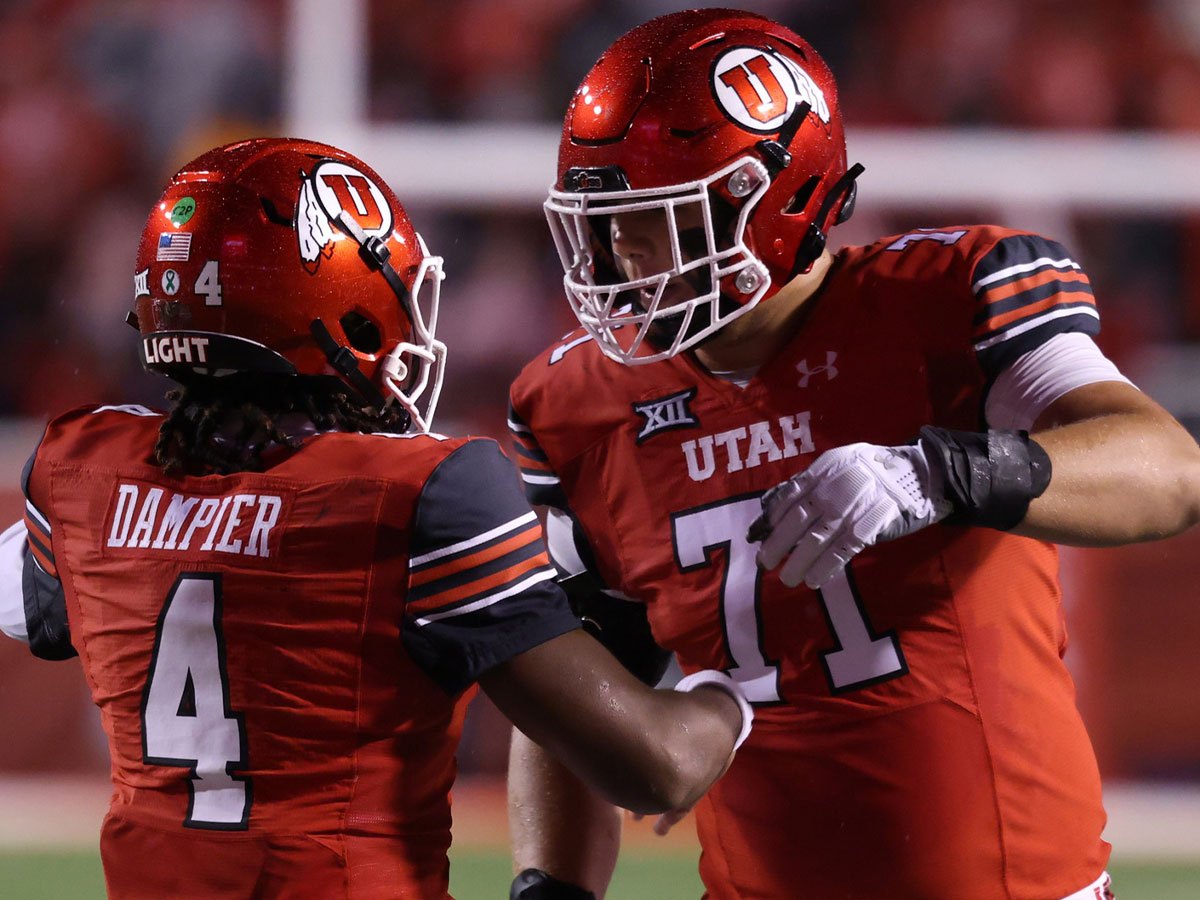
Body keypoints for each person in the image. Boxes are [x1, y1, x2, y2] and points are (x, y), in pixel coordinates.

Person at [506, 9, 1200, 900]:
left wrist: (940, 474)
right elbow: (572, 689)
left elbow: (1171, 470)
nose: (613, 256)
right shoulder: (575, 401)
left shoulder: (948, 297)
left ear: (768, 199)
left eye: (650, 220)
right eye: (600, 222)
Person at [0, 137, 754, 900]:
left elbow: (41, 608)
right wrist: (733, 691)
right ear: (341, 308)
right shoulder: (422, 491)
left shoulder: (77, 469)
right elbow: (655, 767)